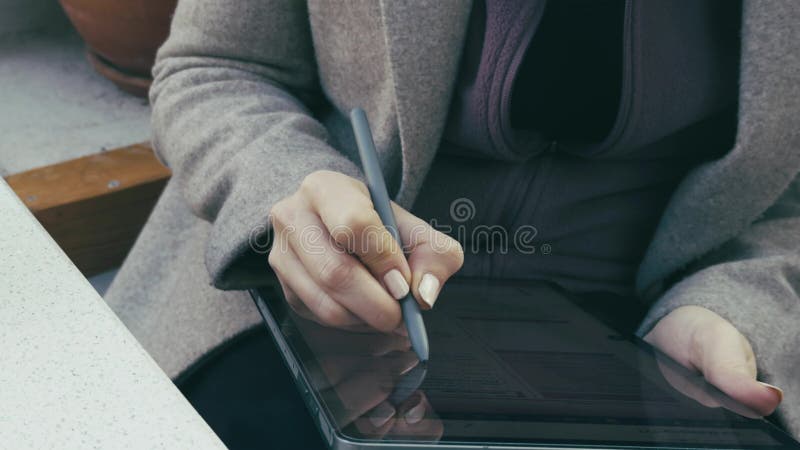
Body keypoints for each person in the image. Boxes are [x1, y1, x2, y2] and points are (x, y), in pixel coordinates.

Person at [105, 0, 800, 447]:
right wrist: (289, 188)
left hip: (646, 338)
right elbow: (216, 67)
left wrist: (733, 302)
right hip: (308, 293)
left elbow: (786, 192)